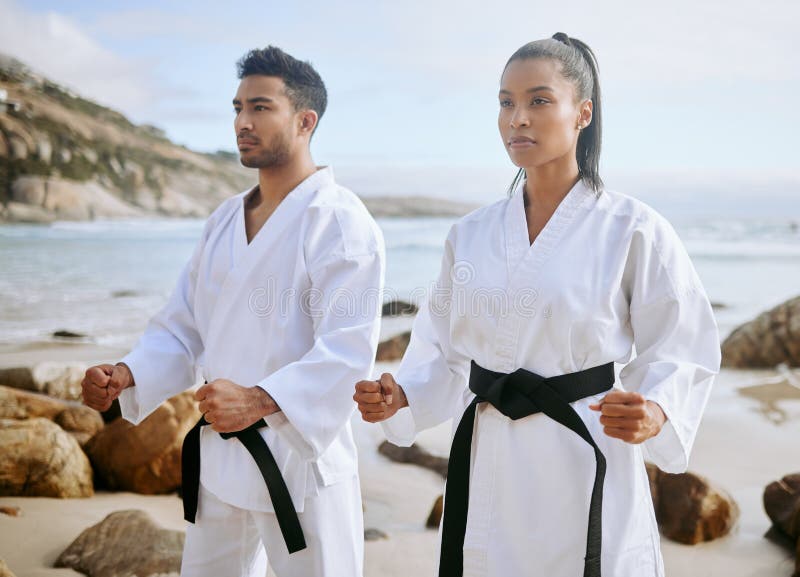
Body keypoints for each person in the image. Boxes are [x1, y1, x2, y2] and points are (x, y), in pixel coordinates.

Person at [354, 33, 720, 577]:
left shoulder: (633, 228)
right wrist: (402, 395)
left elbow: (682, 344)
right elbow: (443, 349)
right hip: (492, 453)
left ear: (583, 113)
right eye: (506, 102)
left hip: (583, 450)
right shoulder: (471, 234)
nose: (517, 118)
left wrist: (658, 409)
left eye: (538, 100)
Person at [81, 46, 384, 577]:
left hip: (300, 465)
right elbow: (184, 325)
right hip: (222, 461)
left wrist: (259, 399)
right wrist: (129, 372)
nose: (243, 122)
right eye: (238, 107)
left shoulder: (339, 222)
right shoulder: (224, 220)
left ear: (306, 120)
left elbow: (348, 349)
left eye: (261, 107)